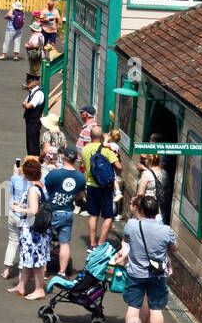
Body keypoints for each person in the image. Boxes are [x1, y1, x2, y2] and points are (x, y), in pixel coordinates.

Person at [114, 194, 177, 323]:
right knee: (156, 309)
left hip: (136, 273)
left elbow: (126, 240)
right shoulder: (166, 230)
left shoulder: (132, 225)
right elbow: (174, 248)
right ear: (157, 212)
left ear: (140, 209)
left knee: (133, 307)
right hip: (158, 274)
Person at [8, 156, 49, 300]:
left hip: (32, 231)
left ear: (27, 174)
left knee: (36, 261)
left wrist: (19, 209)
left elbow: (33, 210)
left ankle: (39, 289)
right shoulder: (41, 186)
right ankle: (21, 285)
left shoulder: (32, 189)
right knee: (28, 259)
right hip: (39, 230)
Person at [44, 145, 86, 277]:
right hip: (67, 212)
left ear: (63, 157)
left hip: (52, 211)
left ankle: (43, 270)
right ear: (76, 159)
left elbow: (46, 191)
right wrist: (71, 197)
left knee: (45, 240)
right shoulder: (80, 177)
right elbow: (81, 195)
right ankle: (62, 272)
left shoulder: (54, 174)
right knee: (64, 243)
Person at [81, 126, 121, 248]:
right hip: (106, 187)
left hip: (91, 186)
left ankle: (92, 244)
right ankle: (101, 243)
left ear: (90, 136)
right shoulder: (106, 150)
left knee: (93, 216)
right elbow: (119, 167)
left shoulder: (85, 150)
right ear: (101, 137)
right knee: (109, 216)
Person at [1, 158, 28, 280]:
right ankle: (22, 273)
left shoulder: (15, 179)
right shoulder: (38, 182)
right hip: (28, 216)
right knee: (24, 245)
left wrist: (15, 174)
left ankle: (7, 270)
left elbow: (10, 191)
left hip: (14, 212)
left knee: (12, 242)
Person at [135, 153, 167, 223]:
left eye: (145, 159)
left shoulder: (146, 174)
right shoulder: (164, 173)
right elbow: (168, 190)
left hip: (147, 207)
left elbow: (140, 194)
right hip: (159, 208)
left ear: (149, 160)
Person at [22, 75, 45, 157]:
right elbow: (24, 102)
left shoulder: (38, 93)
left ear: (35, 82)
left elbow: (28, 105)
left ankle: (34, 161)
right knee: (29, 142)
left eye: (29, 82)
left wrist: (26, 104)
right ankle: (30, 159)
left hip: (34, 121)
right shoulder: (32, 92)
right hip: (30, 121)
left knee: (33, 143)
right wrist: (25, 104)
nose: (27, 83)